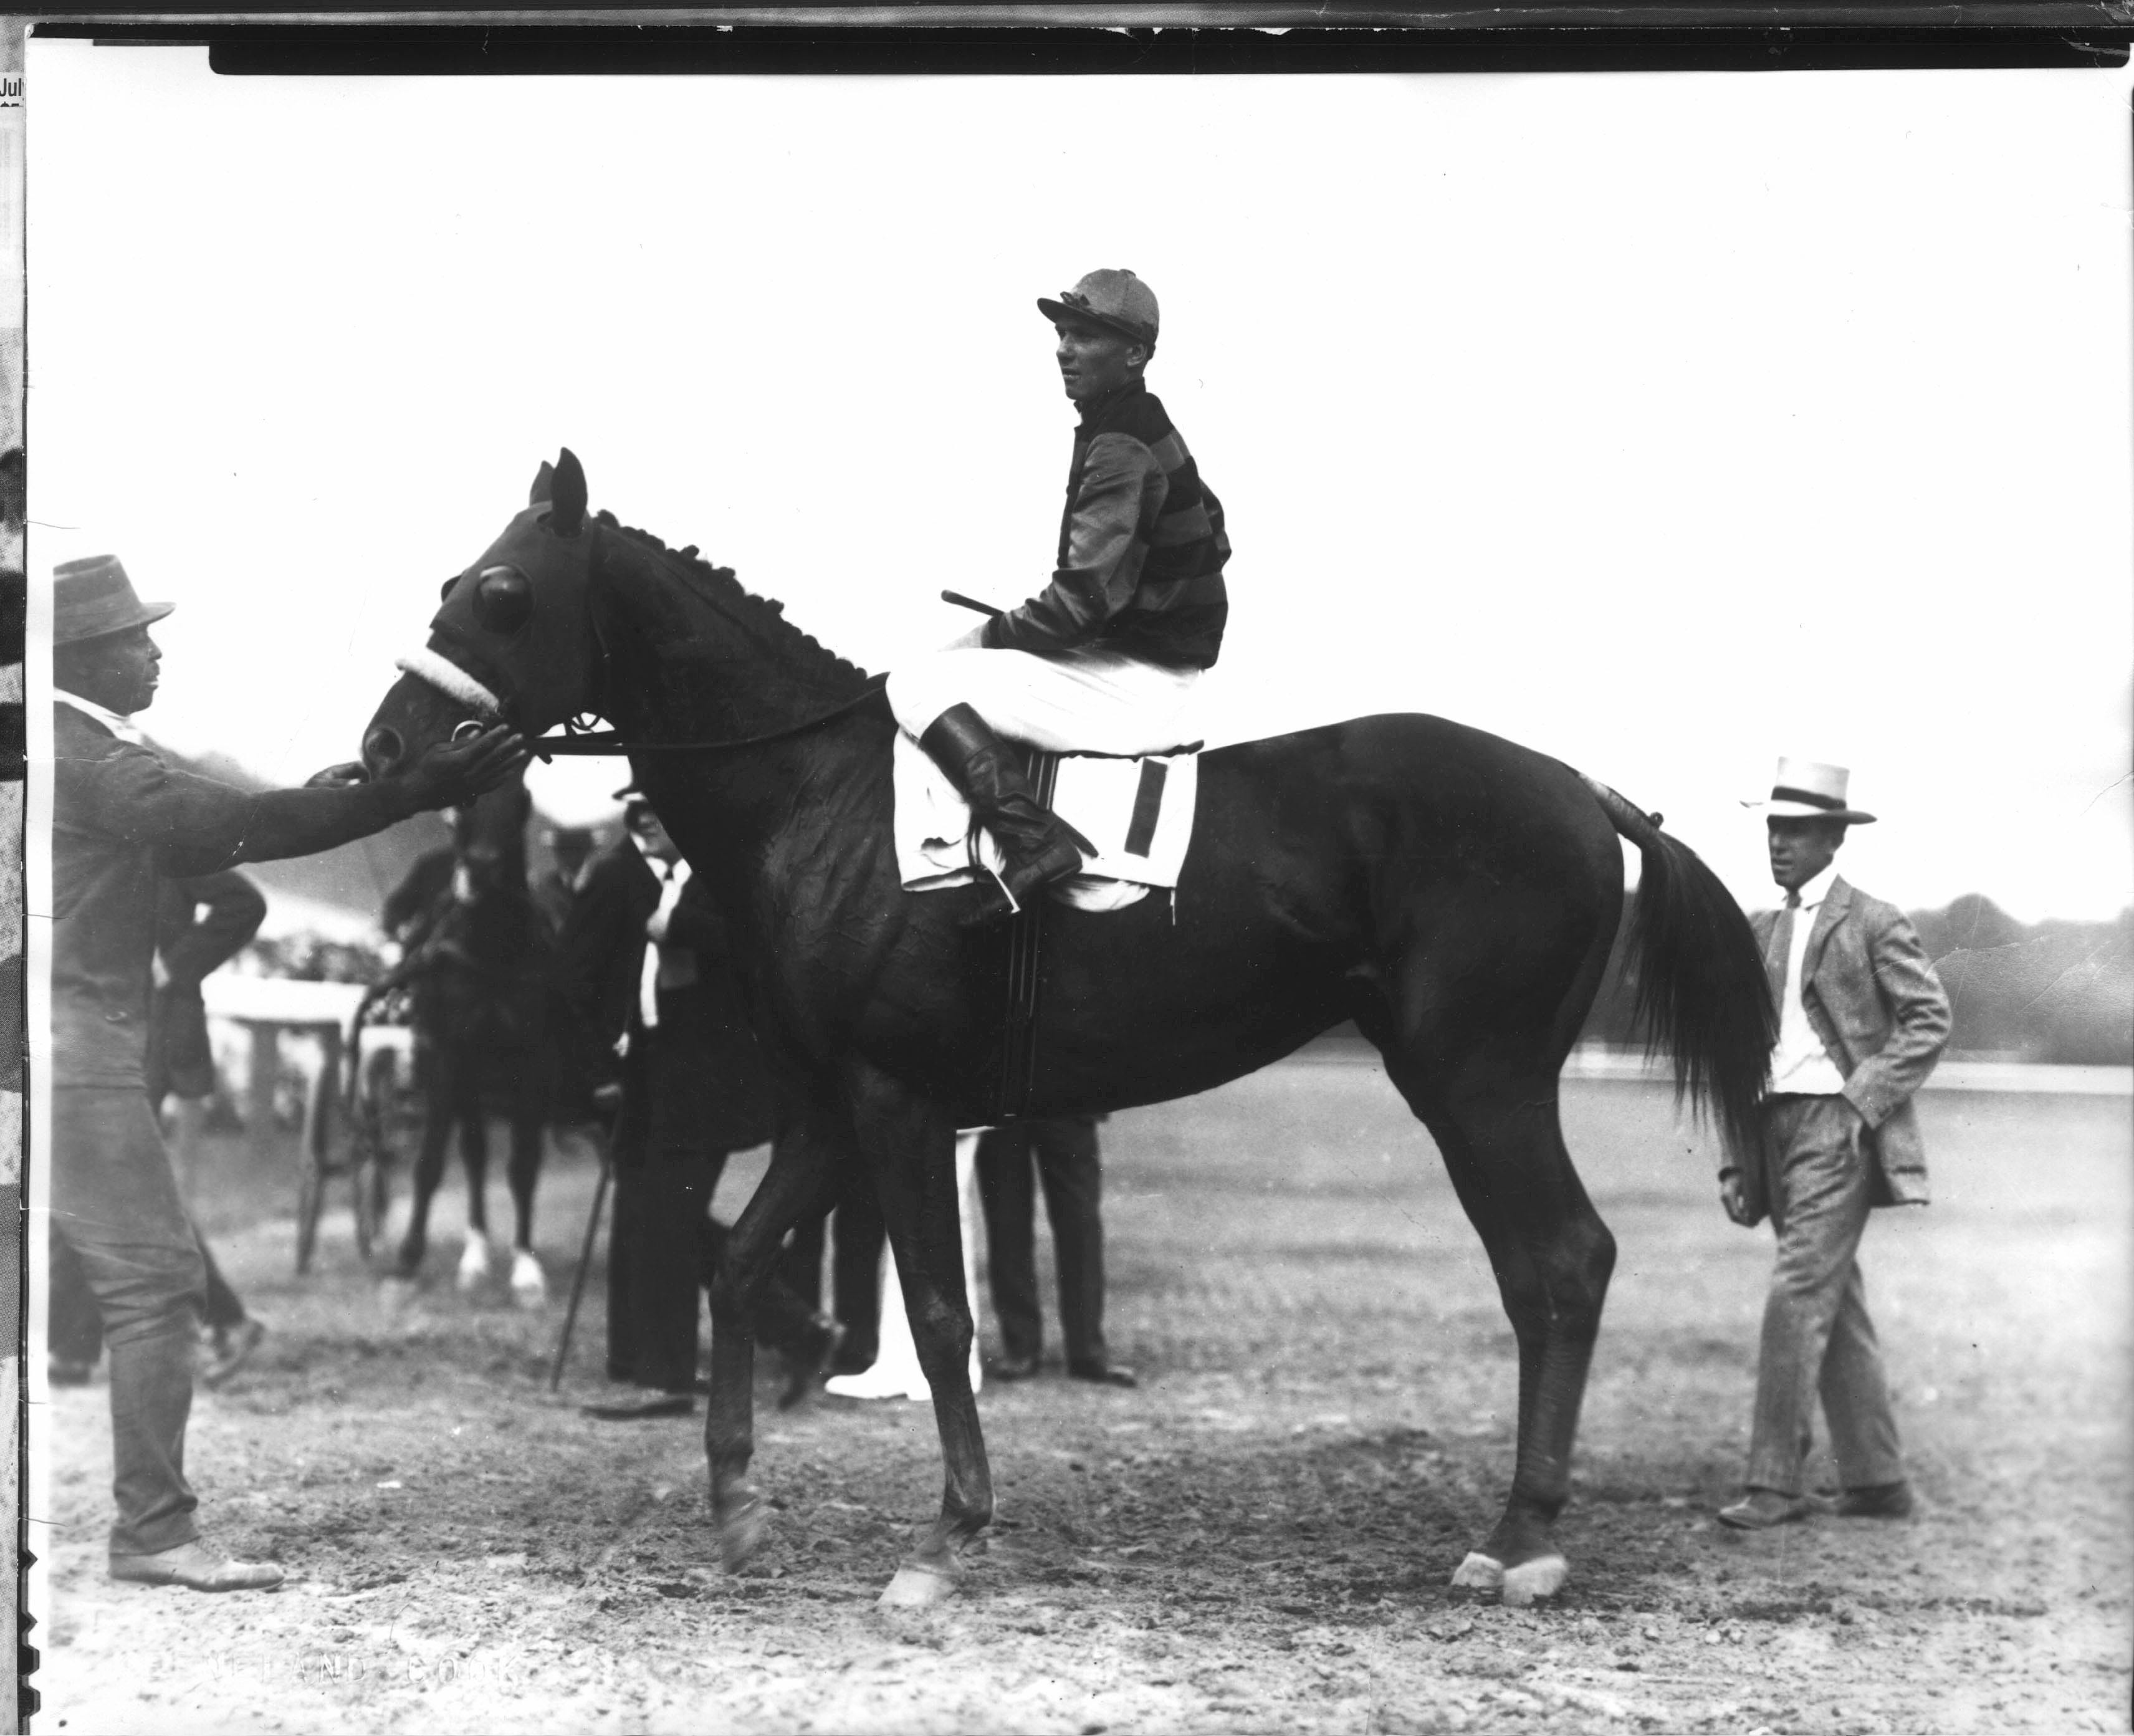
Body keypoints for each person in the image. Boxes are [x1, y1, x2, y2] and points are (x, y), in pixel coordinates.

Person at [50, 552, 525, 1593]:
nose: (156, 651)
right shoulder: (83, 750)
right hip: (77, 1056)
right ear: (79, 653)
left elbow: (201, 832)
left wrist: (324, 797)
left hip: (66, 1051)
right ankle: (154, 1532)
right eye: (135, 637)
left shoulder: (77, 746)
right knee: (155, 1284)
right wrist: (407, 794)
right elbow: (221, 826)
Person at [885, 268, 1230, 923]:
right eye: (1063, 334)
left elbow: (1076, 605)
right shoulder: (1144, 421)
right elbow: (1213, 531)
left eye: (1084, 336)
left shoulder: (1119, 443)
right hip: (1147, 665)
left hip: (1142, 685)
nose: (1064, 349)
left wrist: (985, 637)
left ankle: (1035, 844)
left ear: (1134, 353)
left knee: (916, 685)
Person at [1716, 757, 1951, 1530]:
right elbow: (1740, 1052)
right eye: (1773, 829)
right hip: (1771, 1129)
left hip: (1837, 1130)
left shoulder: (1874, 920)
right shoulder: (1760, 928)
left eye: (1796, 831)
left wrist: (1862, 1102)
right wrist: (1734, 1156)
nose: (1778, 843)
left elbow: (1929, 1018)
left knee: (1795, 1294)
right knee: (1831, 1299)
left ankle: (1774, 1484)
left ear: (1832, 839)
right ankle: (1878, 1482)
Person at [559, 794, 836, 1413]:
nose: (644, 821)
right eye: (636, 811)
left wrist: (670, 925)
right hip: (663, 1074)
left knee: (665, 1221)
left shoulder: (719, 880)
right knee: (669, 1219)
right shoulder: (672, 880)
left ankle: (671, 1379)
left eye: (661, 806)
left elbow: (727, 938)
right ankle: (797, 1329)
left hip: (706, 1081)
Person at [975, 1115, 1135, 1388]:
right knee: (1005, 1221)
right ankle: (1021, 1347)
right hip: (1001, 1107)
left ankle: (1087, 1350)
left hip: (1067, 1104)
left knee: (1081, 1223)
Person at [532, 823, 596, 936]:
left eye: (577, 849)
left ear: (587, 851)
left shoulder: (600, 883)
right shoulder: (544, 888)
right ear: (556, 852)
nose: (571, 856)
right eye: (564, 850)